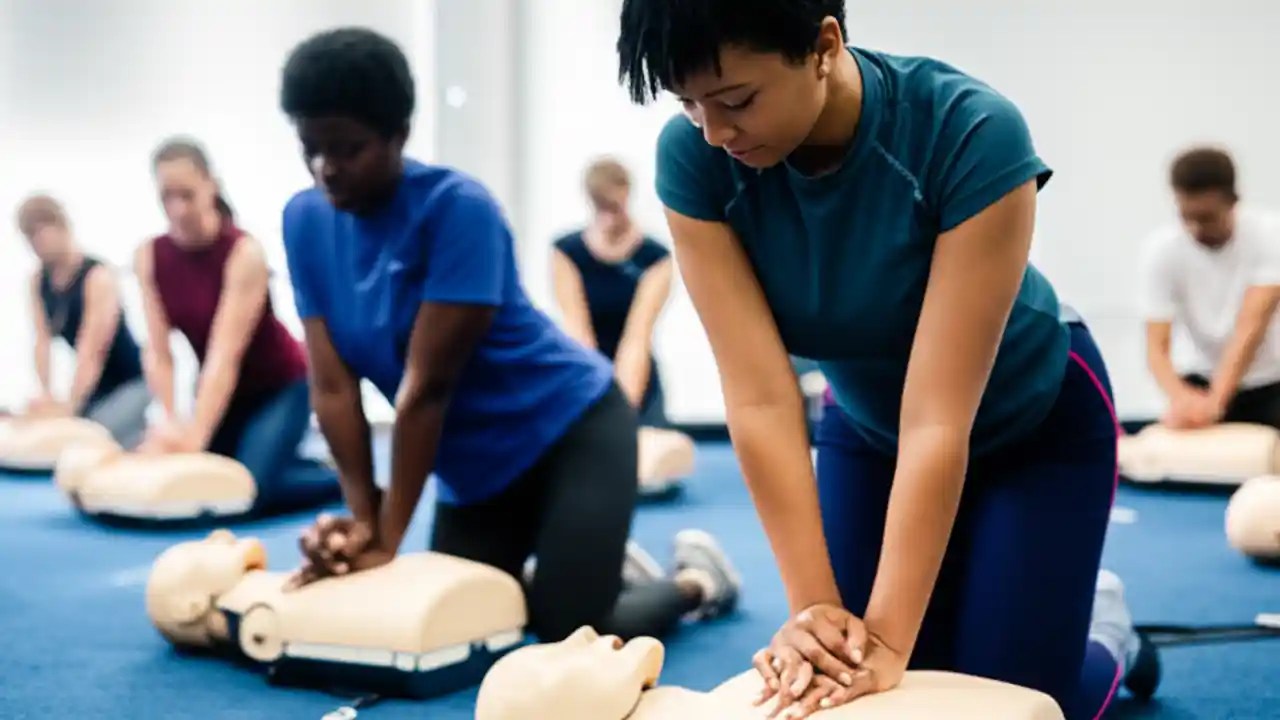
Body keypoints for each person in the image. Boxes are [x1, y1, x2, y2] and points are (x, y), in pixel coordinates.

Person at [616, 2, 1157, 718]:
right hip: (872, 424)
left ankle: (1109, 634)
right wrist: (813, 612)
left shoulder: (971, 131)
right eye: (688, 105)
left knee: (1005, 699)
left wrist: (890, 641)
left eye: (737, 101)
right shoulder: (695, 158)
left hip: (1033, 421)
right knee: (864, 678)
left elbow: (938, 418)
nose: (715, 132)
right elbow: (760, 397)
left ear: (824, 45)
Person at [274, 27, 739, 644]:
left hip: (572, 430)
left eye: (348, 149)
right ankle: (590, 567)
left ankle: (695, 582)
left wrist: (386, 541)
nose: (326, 169)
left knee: (570, 627)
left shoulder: (458, 209)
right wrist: (362, 519)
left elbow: (426, 390)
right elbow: (333, 389)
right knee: (462, 624)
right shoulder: (304, 220)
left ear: (399, 134)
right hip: (476, 473)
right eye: (311, 149)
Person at [133, 138, 340, 516]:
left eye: (187, 195)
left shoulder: (244, 253)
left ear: (211, 186)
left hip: (281, 387)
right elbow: (159, 354)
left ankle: (342, 477)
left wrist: (194, 440)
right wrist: (171, 423)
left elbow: (223, 357)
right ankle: (287, 461)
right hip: (227, 397)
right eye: (167, 197)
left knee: (245, 492)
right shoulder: (149, 256)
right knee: (210, 481)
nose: (177, 209)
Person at [1139, 147, 1280, 431]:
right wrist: (1183, 400)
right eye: (1186, 216)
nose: (1195, 227)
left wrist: (1216, 402)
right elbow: (1156, 347)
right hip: (1200, 379)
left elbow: (1250, 328)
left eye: (1206, 217)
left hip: (1269, 381)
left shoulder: (1269, 234)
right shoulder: (1161, 251)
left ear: (1233, 202)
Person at [15, 194, 150, 448]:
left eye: (41, 232)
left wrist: (69, 409)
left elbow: (92, 352)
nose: (37, 243)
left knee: (84, 436)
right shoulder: (38, 282)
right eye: (30, 236)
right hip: (94, 391)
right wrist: (46, 394)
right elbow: (41, 343)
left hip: (131, 384)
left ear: (61, 226)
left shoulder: (97, 277)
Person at [551, 158, 674, 427]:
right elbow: (578, 333)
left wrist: (619, 416)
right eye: (601, 207)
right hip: (585, 373)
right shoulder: (567, 252)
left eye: (615, 207)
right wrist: (592, 405)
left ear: (627, 195)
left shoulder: (655, 258)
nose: (609, 217)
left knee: (643, 448)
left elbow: (637, 338)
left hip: (638, 374)